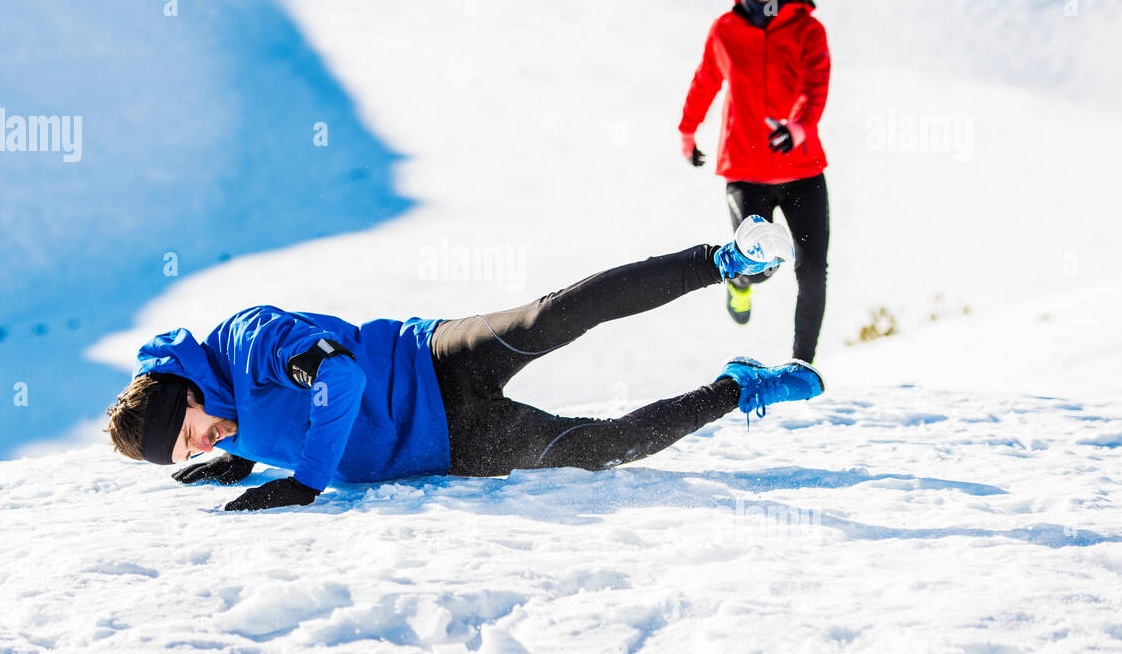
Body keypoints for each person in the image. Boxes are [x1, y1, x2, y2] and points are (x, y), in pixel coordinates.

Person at [103, 217, 824, 512]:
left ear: (188, 388)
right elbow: (262, 424)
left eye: (191, 430)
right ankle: (741, 387)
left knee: (553, 317)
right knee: (602, 450)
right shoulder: (225, 426)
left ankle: (721, 261)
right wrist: (243, 456)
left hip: (429, 362)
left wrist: (305, 482)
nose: (201, 444)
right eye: (185, 455)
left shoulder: (249, 341)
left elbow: (340, 378)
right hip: (451, 446)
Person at [679, 0, 831, 363]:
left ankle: (802, 365)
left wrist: (797, 127)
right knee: (758, 267)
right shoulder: (725, 30)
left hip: (803, 173)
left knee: (812, 271)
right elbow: (705, 81)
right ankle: (740, 283)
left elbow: (814, 85)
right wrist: (688, 132)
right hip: (746, 173)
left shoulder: (807, 28)